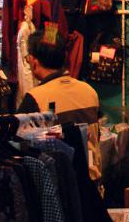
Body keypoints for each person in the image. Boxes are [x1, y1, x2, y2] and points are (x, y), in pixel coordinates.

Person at [18, 28, 102, 175]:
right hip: (92, 178)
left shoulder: (35, 98)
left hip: (60, 181)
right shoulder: (89, 91)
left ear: (34, 61)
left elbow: (20, 142)